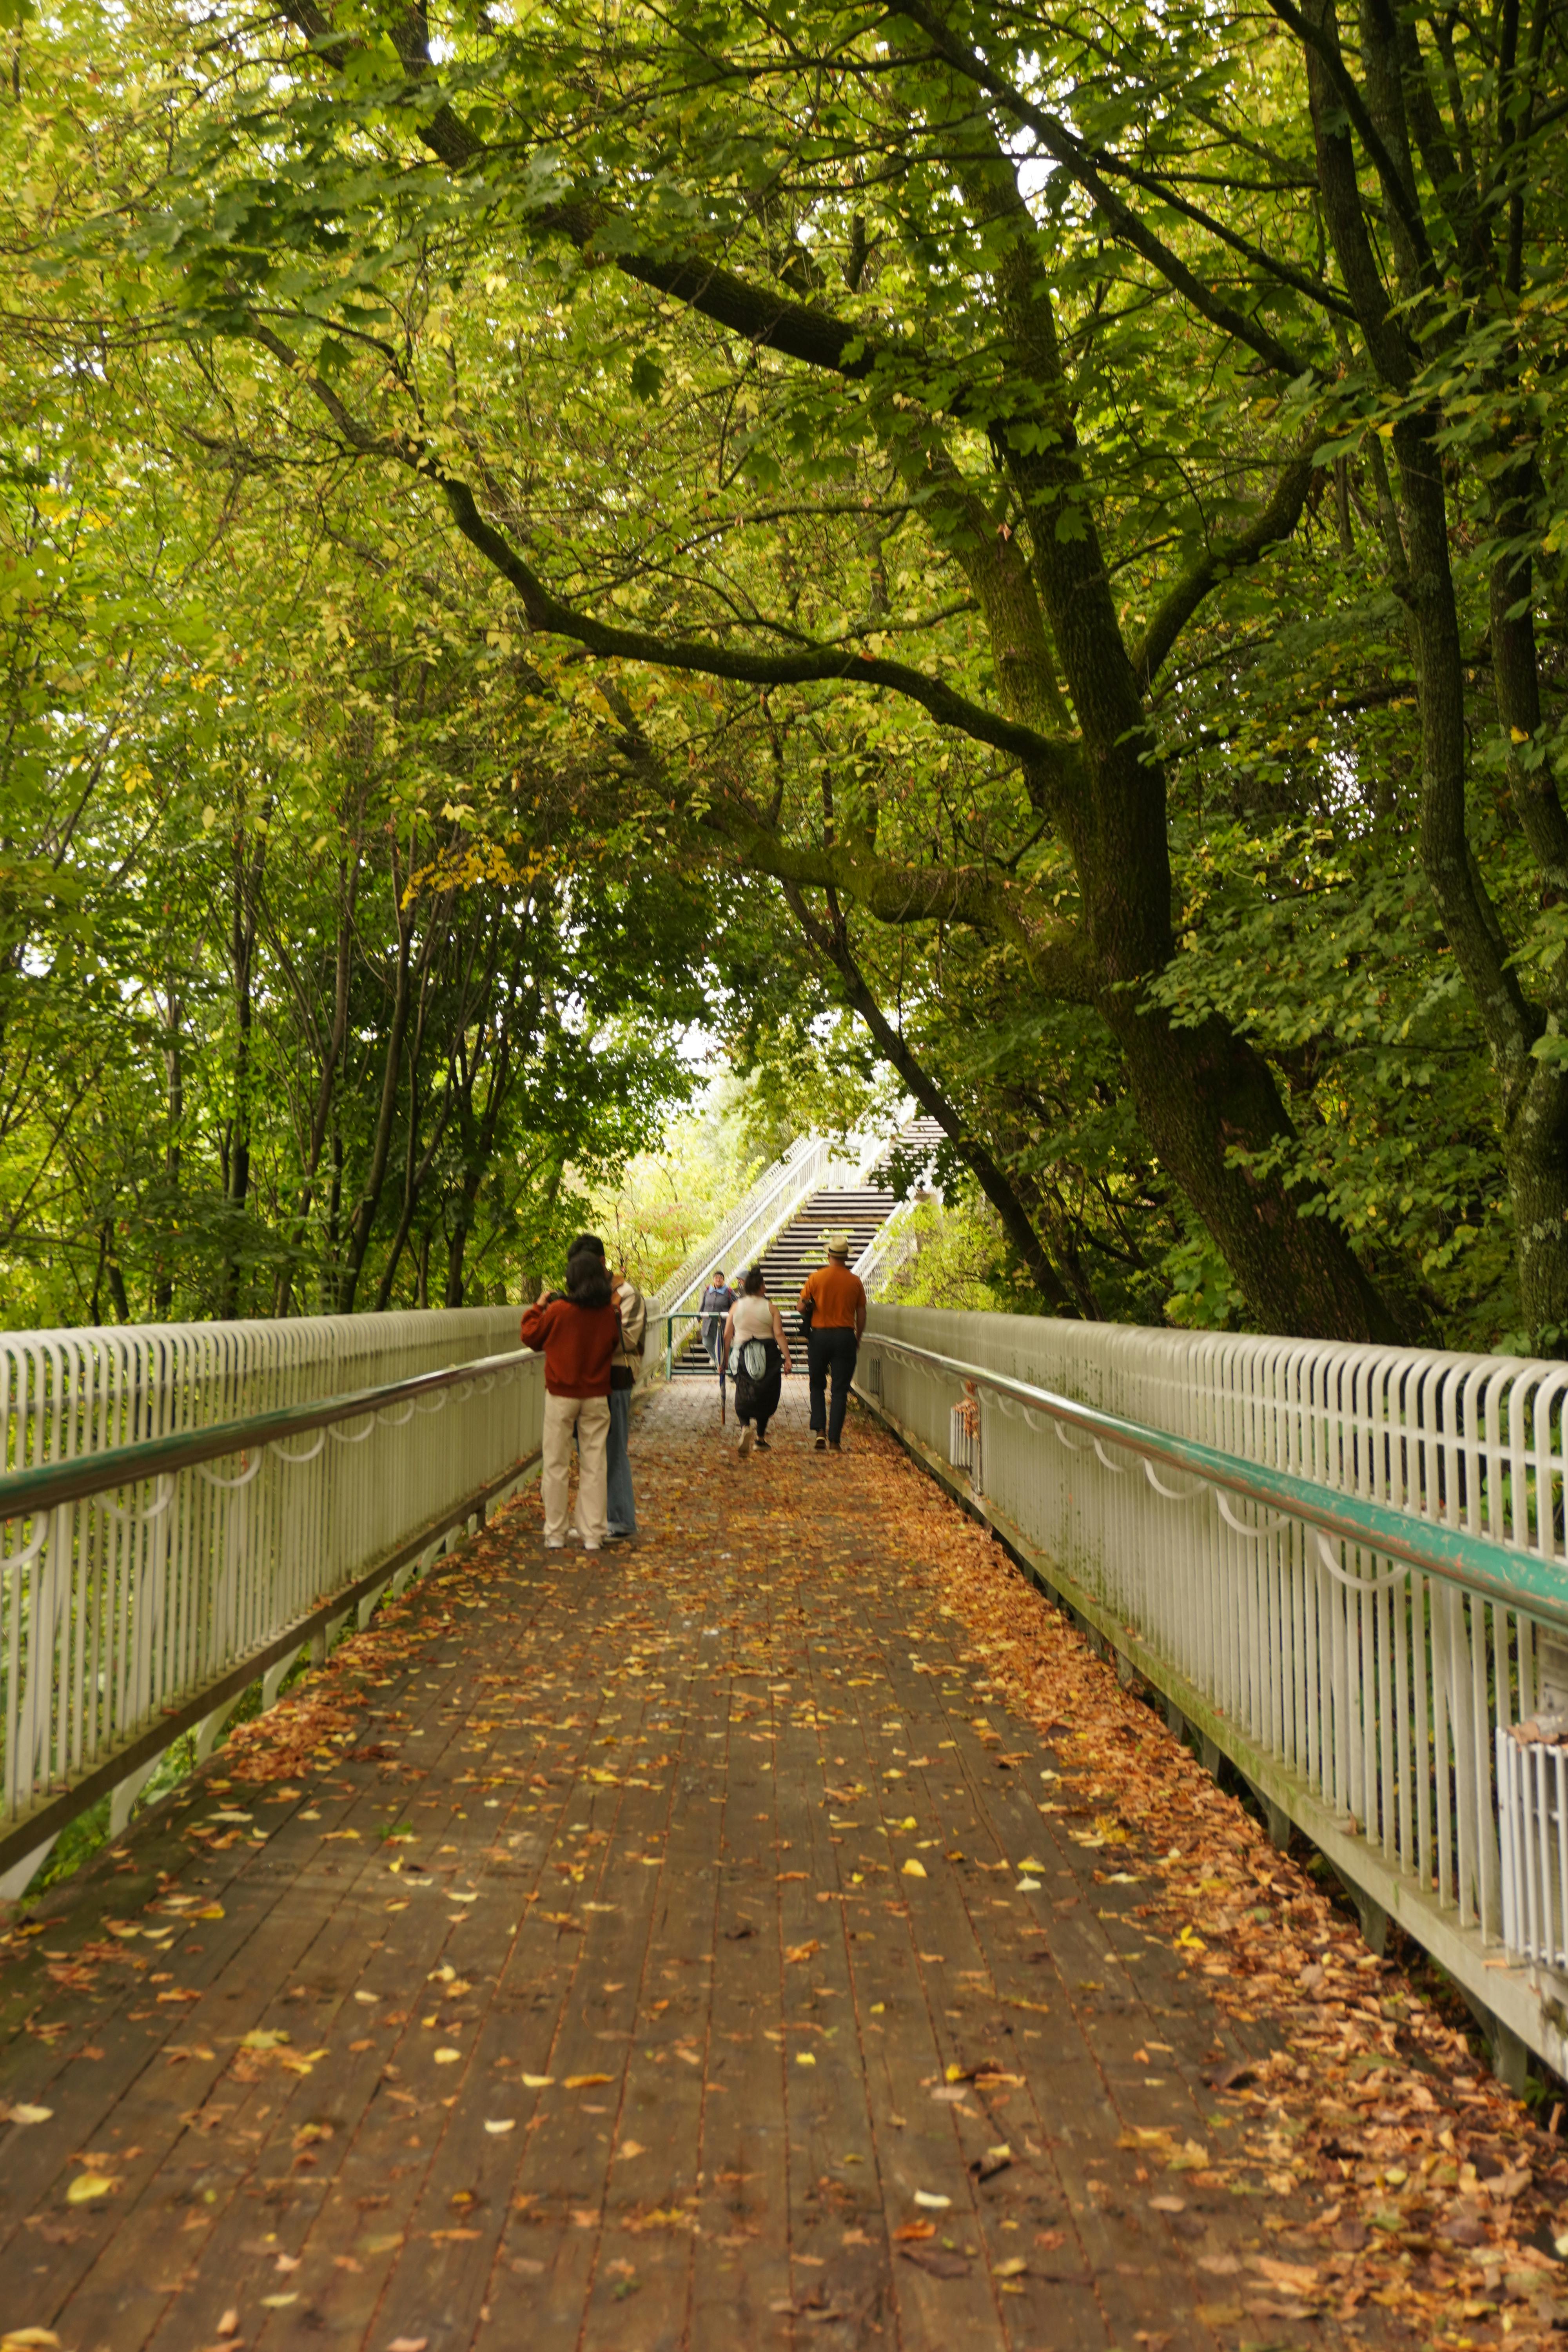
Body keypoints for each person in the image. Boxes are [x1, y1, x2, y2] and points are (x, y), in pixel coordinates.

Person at [519, 1245, 619, 1552]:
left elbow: (531, 1336)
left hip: (561, 1395)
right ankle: (592, 1535)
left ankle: (556, 1533)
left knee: (556, 1464)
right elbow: (614, 1344)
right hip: (596, 1396)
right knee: (594, 1465)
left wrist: (538, 1307)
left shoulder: (559, 1312)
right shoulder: (608, 1313)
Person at [798, 1228, 866, 1454]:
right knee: (839, 1390)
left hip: (819, 1336)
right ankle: (835, 1441)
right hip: (845, 1336)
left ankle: (820, 1432)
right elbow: (862, 1314)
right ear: (846, 1256)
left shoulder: (816, 1278)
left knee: (817, 1384)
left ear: (829, 1256)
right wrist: (857, 1338)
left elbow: (801, 1307)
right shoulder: (855, 1282)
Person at [723, 1265, 790, 1458]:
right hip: (767, 1355)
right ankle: (760, 1439)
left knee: (743, 1391)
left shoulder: (736, 1306)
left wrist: (724, 1359)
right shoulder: (771, 1307)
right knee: (766, 1395)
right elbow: (779, 1334)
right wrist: (788, 1359)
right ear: (761, 1287)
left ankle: (745, 1427)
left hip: (741, 1354)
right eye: (765, 1284)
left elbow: (728, 1335)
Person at [698, 1267, 735, 1372]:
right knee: (707, 1342)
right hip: (708, 1322)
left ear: (723, 1280)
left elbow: (735, 1305)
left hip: (722, 1323)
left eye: (720, 1278)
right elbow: (704, 1304)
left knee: (721, 1345)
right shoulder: (708, 1291)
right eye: (716, 1278)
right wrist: (699, 1315)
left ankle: (722, 1367)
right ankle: (716, 1360)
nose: (718, 1279)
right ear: (713, 1279)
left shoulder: (729, 1291)